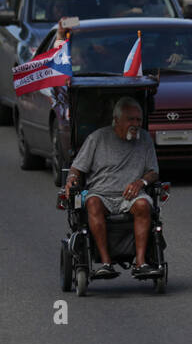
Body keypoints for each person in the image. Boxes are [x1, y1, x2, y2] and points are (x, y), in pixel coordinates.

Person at [62, 96, 160, 278]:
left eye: (138, 120)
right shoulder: (97, 138)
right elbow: (76, 168)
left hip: (132, 195)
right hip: (102, 194)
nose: (136, 124)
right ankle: (106, 263)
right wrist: (72, 179)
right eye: (130, 119)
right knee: (92, 202)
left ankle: (141, 262)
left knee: (144, 206)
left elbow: (153, 171)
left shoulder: (145, 139)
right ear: (116, 120)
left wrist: (141, 182)